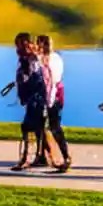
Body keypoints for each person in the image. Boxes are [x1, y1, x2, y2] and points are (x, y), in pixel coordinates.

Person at [11, 32, 49, 171]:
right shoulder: (26, 59)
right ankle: (40, 156)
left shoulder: (32, 59)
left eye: (21, 44)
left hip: (36, 98)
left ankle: (26, 157)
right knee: (38, 128)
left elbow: (35, 80)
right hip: (32, 98)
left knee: (28, 127)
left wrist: (26, 93)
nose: (18, 48)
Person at [37, 34, 71, 173]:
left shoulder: (51, 59)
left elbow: (51, 79)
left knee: (54, 125)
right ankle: (44, 155)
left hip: (53, 93)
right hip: (46, 93)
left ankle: (65, 156)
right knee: (39, 125)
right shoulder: (45, 58)